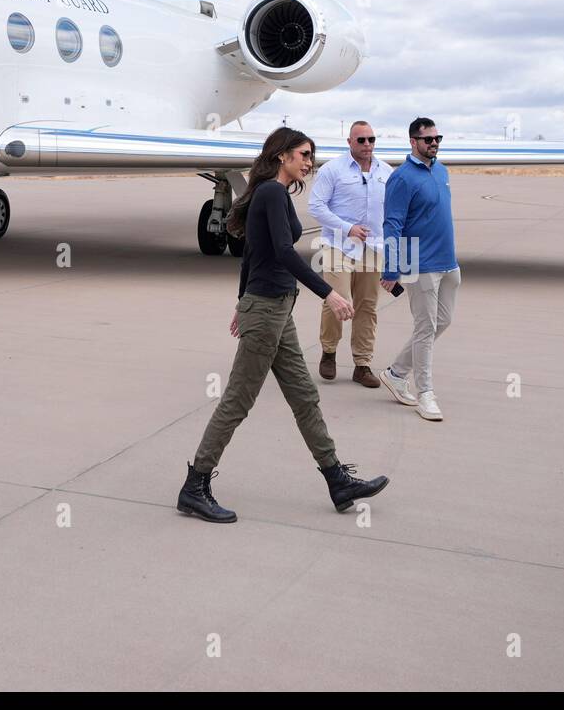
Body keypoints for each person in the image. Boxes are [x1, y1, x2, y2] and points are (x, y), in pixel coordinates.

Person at [177, 127, 390, 522]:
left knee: (305, 396)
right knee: (237, 402)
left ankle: (336, 479)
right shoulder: (272, 193)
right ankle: (195, 486)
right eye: (303, 154)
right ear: (282, 155)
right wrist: (328, 292)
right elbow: (281, 252)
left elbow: (253, 254)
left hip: (277, 310)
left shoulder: (274, 194)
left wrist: (241, 303)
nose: (309, 162)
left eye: (311, 156)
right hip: (267, 310)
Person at [378, 117, 460, 422]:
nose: (434, 143)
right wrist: (391, 268)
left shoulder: (441, 170)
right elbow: (392, 225)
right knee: (425, 328)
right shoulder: (401, 178)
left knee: (443, 321)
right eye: (428, 139)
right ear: (413, 142)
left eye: (438, 138)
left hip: (448, 261)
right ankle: (426, 394)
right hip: (418, 261)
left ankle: (396, 372)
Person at [307, 120, 392, 387]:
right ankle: (329, 351)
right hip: (339, 246)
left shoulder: (387, 172)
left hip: (373, 248)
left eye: (371, 139)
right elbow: (316, 205)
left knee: (368, 305)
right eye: (361, 140)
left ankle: (362, 364)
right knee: (338, 299)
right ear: (349, 142)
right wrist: (347, 228)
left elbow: (394, 211)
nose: (367, 145)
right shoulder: (333, 169)